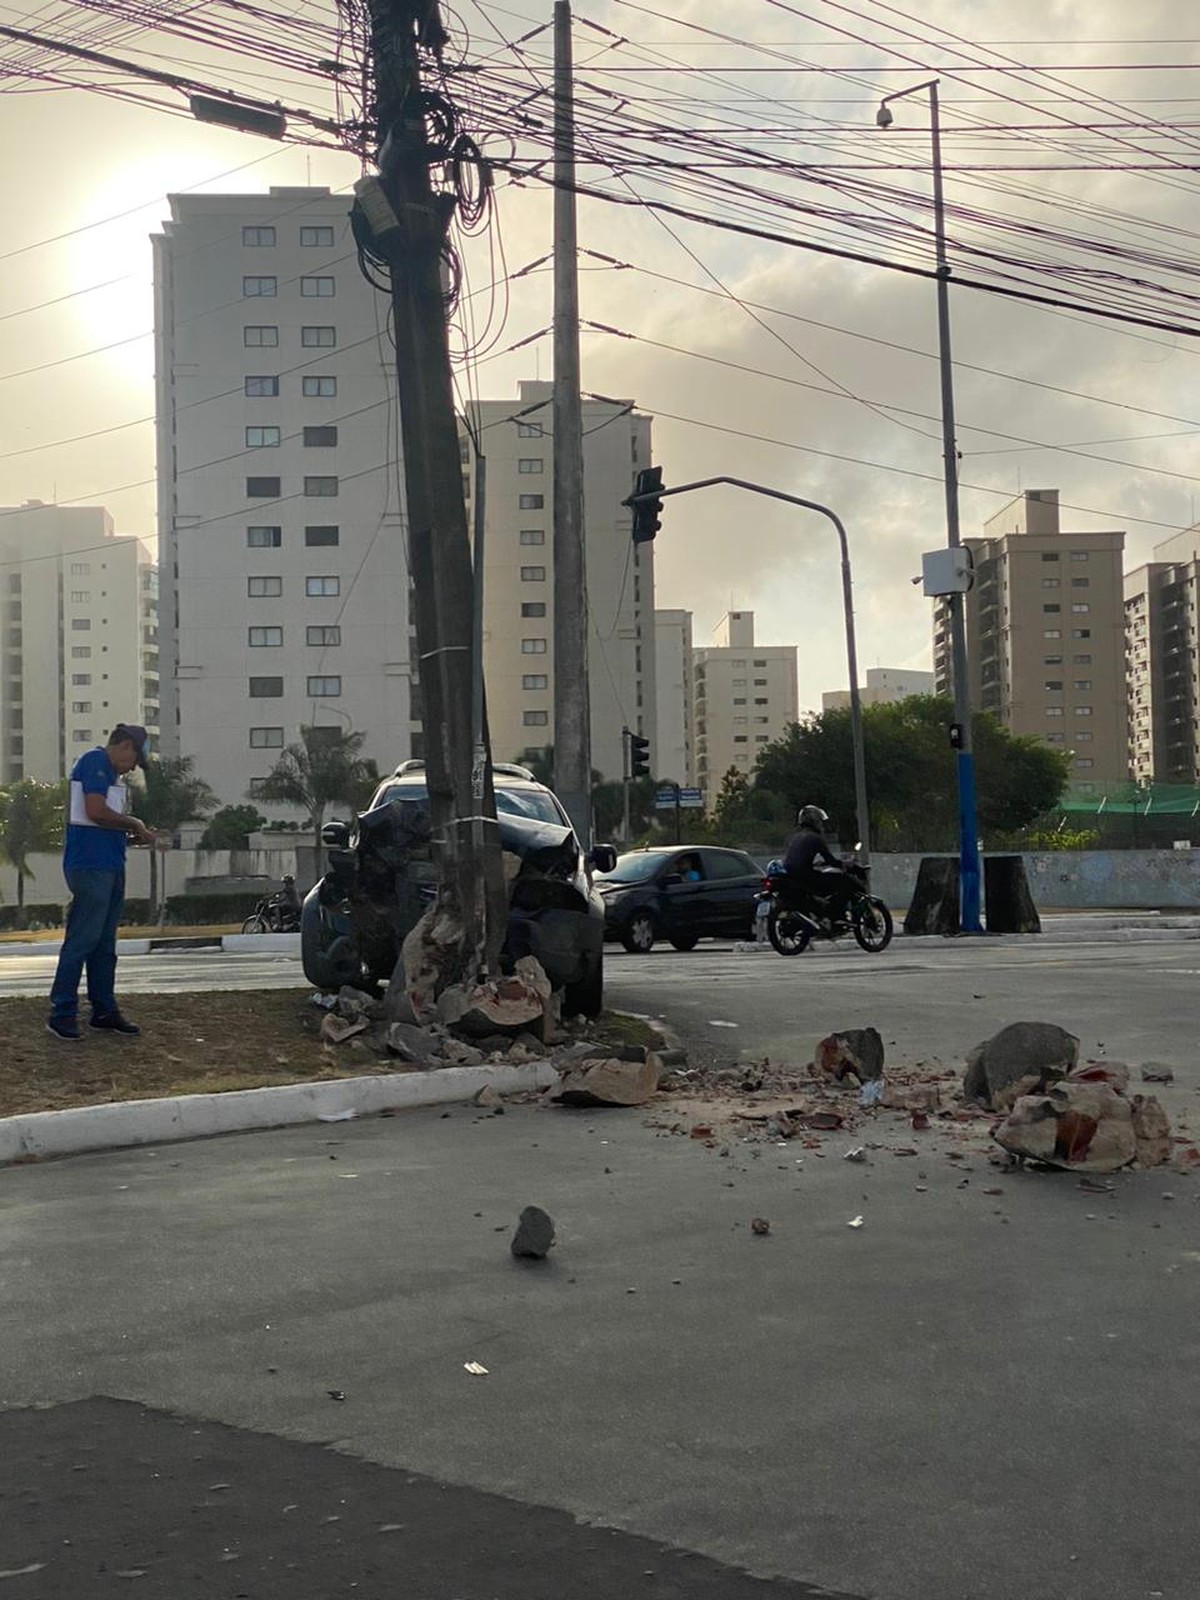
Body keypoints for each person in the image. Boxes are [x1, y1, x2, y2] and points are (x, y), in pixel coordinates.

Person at [47, 724, 165, 1041]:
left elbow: (100, 822)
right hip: (90, 867)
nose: (131, 769)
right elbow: (95, 810)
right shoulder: (94, 761)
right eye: (133, 761)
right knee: (82, 940)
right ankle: (62, 1012)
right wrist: (135, 823)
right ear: (124, 746)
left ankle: (104, 1010)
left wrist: (134, 834)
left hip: (110, 865)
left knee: (104, 946)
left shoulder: (111, 777)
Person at [783, 804, 851, 925]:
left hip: (792, 875)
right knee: (844, 882)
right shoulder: (815, 838)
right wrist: (845, 864)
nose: (821, 824)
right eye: (819, 821)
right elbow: (831, 860)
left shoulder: (795, 837)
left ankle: (822, 913)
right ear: (814, 821)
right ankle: (836, 916)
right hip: (805, 875)